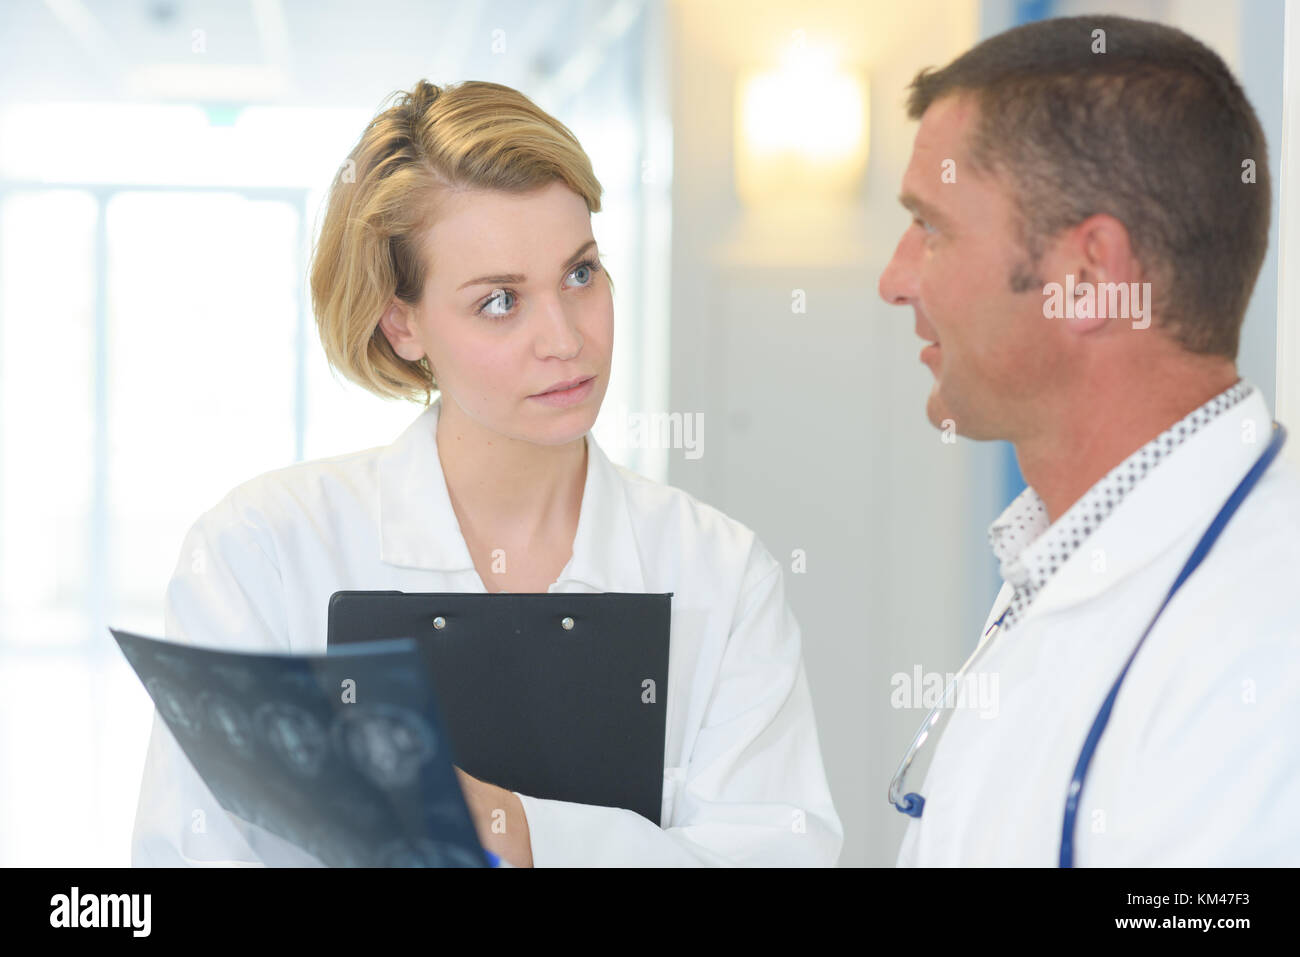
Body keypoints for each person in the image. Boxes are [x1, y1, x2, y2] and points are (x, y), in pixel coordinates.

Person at [131, 79, 842, 867]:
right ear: (403, 323)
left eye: (580, 274)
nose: (565, 338)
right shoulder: (263, 550)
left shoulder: (722, 572)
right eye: (501, 300)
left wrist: (514, 826)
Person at [878, 15, 1300, 865]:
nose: (894, 280)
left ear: (1089, 277)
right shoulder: (1067, 549)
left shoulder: (1267, 643)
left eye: (932, 227)